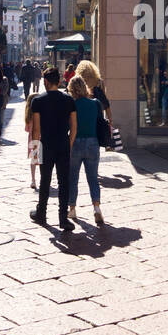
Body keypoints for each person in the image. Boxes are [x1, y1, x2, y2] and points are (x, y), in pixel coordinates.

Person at [28, 66, 76, 231]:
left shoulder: (38, 101)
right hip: (63, 144)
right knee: (64, 182)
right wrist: (69, 144)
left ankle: (41, 213)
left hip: (46, 145)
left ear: (46, 82)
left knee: (45, 180)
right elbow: (74, 126)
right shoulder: (69, 100)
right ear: (60, 81)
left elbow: (36, 130)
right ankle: (63, 218)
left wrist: (35, 152)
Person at [66, 75, 105, 226]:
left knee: (73, 178)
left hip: (75, 142)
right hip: (93, 142)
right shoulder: (95, 103)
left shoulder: (72, 105)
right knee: (93, 178)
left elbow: (69, 126)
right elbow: (99, 122)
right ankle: (96, 208)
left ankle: (72, 208)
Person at [23, 91, 40, 190]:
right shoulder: (41, 113)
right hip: (42, 138)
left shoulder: (28, 115)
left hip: (32, 139)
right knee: (43, 161)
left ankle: (33, 180)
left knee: (34, 160)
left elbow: (27, 129)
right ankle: (43, 179)